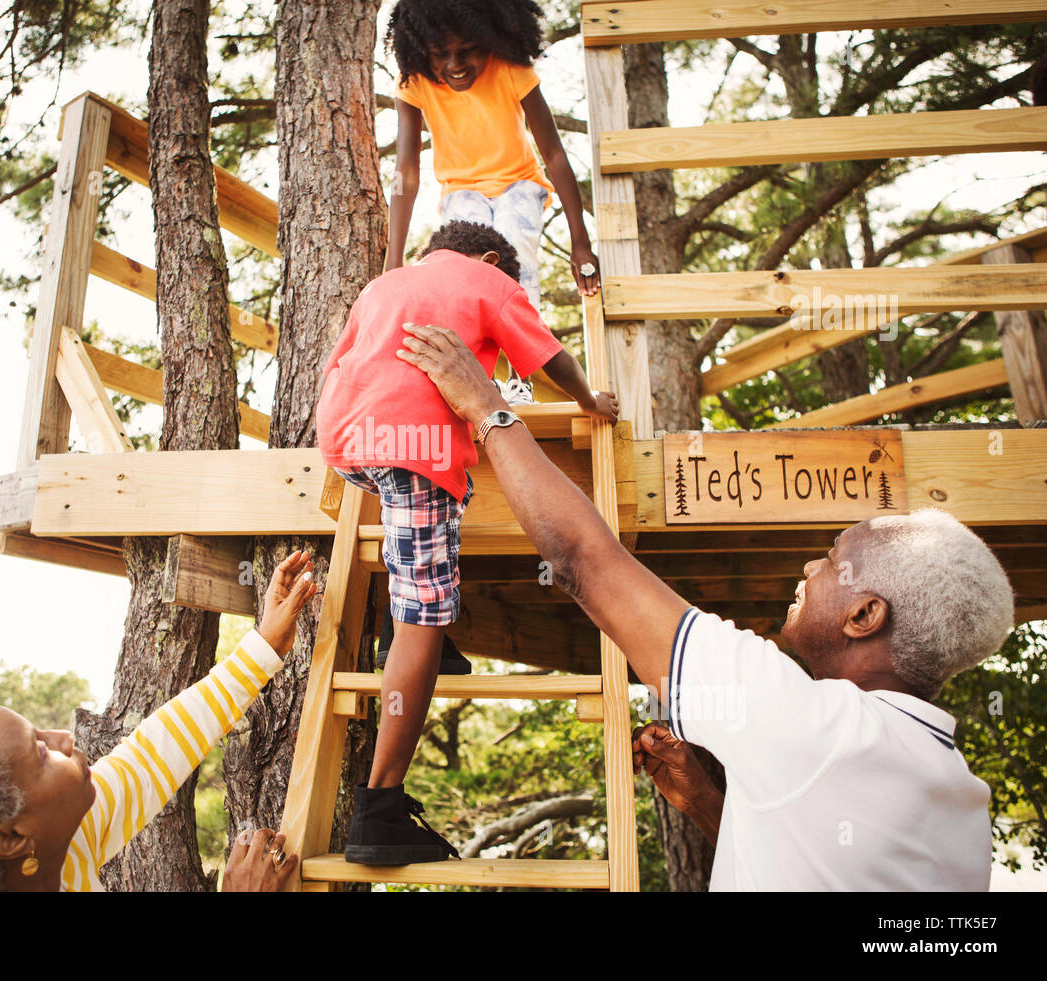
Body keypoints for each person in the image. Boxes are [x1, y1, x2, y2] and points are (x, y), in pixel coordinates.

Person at [396, 322, 1015, 890]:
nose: (809, 568)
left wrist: (485, 407)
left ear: (864, 616)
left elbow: (583, 562)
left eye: (831, 559)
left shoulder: (813, 726)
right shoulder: (957, 793)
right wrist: (709, 807)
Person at [315, 221, 618, 865]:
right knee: (419, 609)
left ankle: (435, 644)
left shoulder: (384, 284)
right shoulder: (488, 277)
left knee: (440, 513)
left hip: (347, 443)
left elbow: (337, 361)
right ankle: (379, 810)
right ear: (488, 259)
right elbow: (547, 357)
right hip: (413, 446)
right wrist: (592, 400)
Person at [0, 551, 318, 892]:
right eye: (41, 752)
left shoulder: (52, 848)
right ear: (9, 839)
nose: (64, 738)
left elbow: (152, 753)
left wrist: (264, 646)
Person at [385, 0, 599, 404]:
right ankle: (468, 383)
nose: (455, 64)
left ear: (490, 39)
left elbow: (553, 154)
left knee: (514, 257)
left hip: (518, 183)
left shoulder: (512, 68)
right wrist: (392, 262)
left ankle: (521, 381)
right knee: (462, 278)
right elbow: (406, 173)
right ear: (420, 51)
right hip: (460, 191)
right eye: (440, 54)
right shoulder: (415, 82)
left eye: (468, 50)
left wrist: (580, 241)